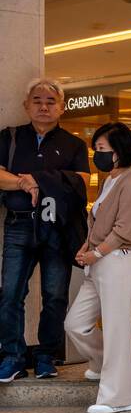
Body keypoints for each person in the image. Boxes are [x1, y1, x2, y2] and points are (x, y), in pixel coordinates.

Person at [0, 79, 89, 381]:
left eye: (51, 101)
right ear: (26, 105)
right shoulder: (9, 138)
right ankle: (12, 356)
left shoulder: (74, 144)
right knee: (11, 294)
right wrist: (25, 183)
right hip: (19, 224)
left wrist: (35, 179)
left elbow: (80, 182)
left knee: (55, 295)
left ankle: (45, 356)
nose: (43, 106)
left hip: (57, 227)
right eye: (37, 100)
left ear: (61, 107)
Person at [65, 123, 131, 413]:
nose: (96, 155)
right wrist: (87, 248)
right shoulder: (109, 181)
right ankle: (102, 363)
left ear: (119, 151)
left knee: (117, 330)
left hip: (119, 261)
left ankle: (119, 396)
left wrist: (96, 252)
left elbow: (126, 229)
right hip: (100, 262)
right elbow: (99, 223)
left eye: (101, 150)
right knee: (75, 324)